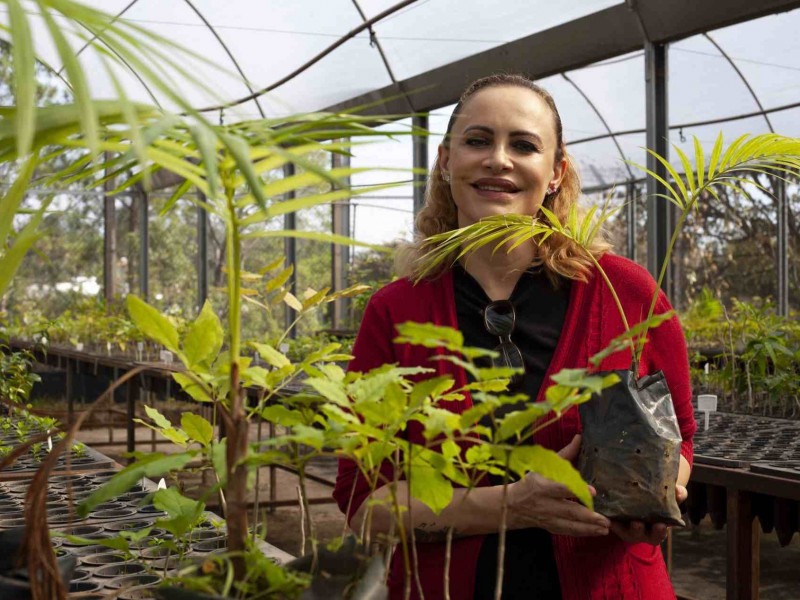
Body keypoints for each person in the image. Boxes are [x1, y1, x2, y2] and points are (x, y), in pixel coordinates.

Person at [333, 74, 696, 600]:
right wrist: (511, 506)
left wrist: (658, 493)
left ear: (555, 173)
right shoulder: (396, 309)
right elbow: (363, 505)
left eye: (523, 145)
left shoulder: (623, 293)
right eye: (478, 140)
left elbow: (680, 434)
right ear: (445, 160)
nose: (499, 159)